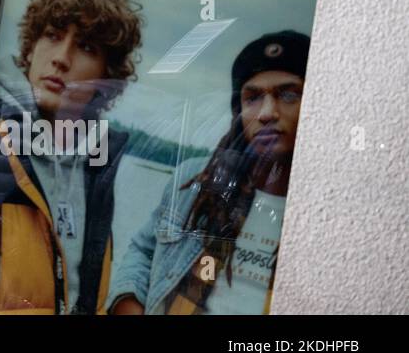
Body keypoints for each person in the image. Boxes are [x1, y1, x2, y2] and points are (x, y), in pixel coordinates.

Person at [0, 0, 143, 314]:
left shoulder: (98, 165)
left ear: (106, 73)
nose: (61, 58)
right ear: (32, 45)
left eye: (85, 47)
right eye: (53, 35)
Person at [107, 31, 309, 315]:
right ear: (238, 111)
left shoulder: (331, 217)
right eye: (252, 98)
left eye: (288, 94)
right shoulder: (197, 181)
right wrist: (128, 305)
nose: (266, 112)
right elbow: (144, 249)